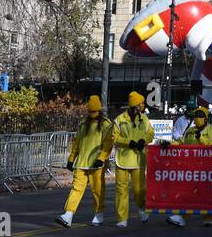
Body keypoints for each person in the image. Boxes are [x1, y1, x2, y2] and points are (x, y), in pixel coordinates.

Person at [57, 95, 114, 228]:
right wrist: (71, 159)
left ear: (99, 110)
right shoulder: (83, 125)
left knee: (98, 191)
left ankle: (99, 214)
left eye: (94, 112)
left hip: (97, 165)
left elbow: (108, 144)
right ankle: (68, 214)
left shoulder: (106, 125)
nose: (92, 114)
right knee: (76, 189)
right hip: (82, 163)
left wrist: (101, 159)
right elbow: (76, 143)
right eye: (90, 112)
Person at [168, 108, 212, 227]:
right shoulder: (190, 131)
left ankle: (208, 217)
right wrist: (170, 145)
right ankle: (182, 217)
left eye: (200, 115)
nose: (197, 118)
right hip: (190, 168)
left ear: (206, 118)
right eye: (196, 115)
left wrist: (200, 138)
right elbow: (182, 143)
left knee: (205, 194)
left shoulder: (211, 131)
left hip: (206, 169)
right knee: (186, 193)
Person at [112, 91, 154, 228]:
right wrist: (128, 142)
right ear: (134, 105)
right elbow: (115, 138)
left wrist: (144, 140)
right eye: (141, 103)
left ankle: (142, 208)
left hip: (138, 160)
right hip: (122, 160)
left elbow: (150, 133)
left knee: (139, 190)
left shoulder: (144, 119)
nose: (142, 105)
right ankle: (122, 218)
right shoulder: (119, 120)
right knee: (121, 191)